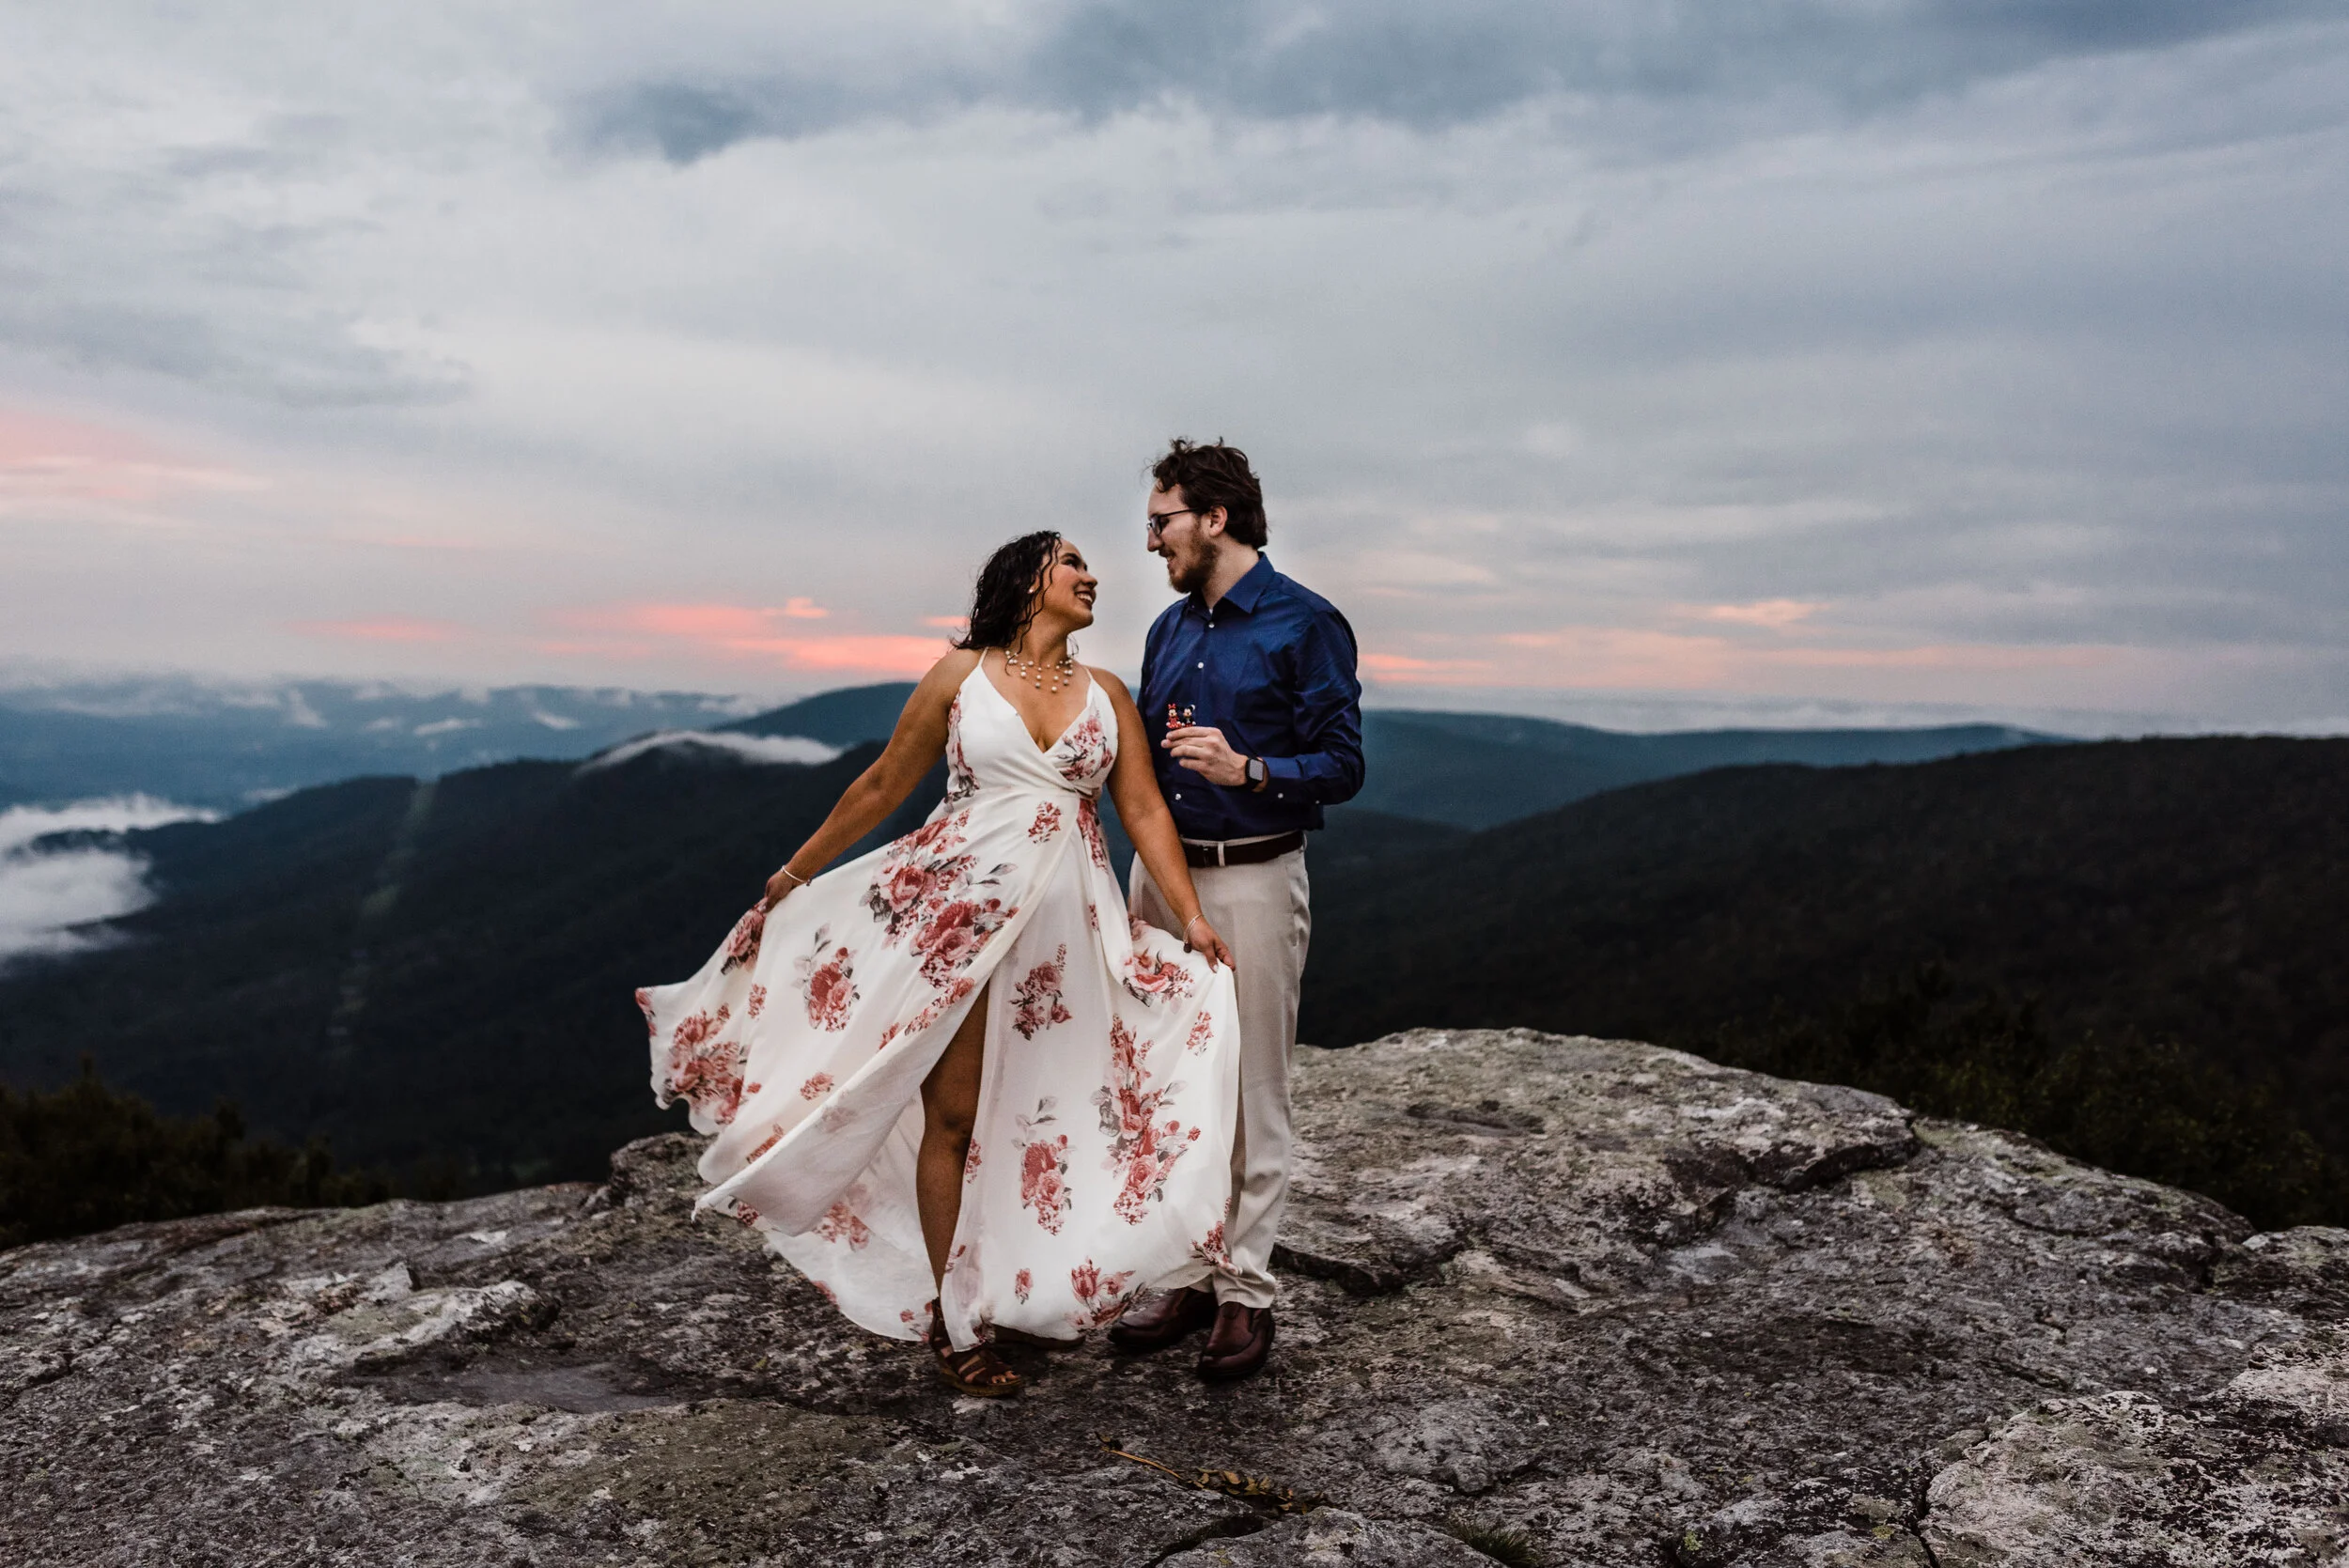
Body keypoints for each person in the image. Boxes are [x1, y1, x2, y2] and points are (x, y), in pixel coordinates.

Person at [638, 532, 1240, 1399]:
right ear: (1029, 579)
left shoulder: (1108, 693)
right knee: (953, 1119)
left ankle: (1030, 1283)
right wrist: (795, 872)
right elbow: (886, 785)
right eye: (1072, 562)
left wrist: (1189, 918)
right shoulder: (960, 675)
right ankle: (958, 1326)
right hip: (956, 924)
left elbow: (1141, 805)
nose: (1092, 574)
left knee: (1060, 1110)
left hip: (1065, 935)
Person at [1110, 439, 1363, 1381]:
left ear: (1213, 518)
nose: (1150, 543)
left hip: (1254, 877)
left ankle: (1244, 1293)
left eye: (1160, 521)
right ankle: (1180, 1267)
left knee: (1253, 1088)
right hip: (1161, 878)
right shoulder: (1170, 630)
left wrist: (1252, 769)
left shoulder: (1306, 623)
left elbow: (1344, 764)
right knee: (1167, 1084)